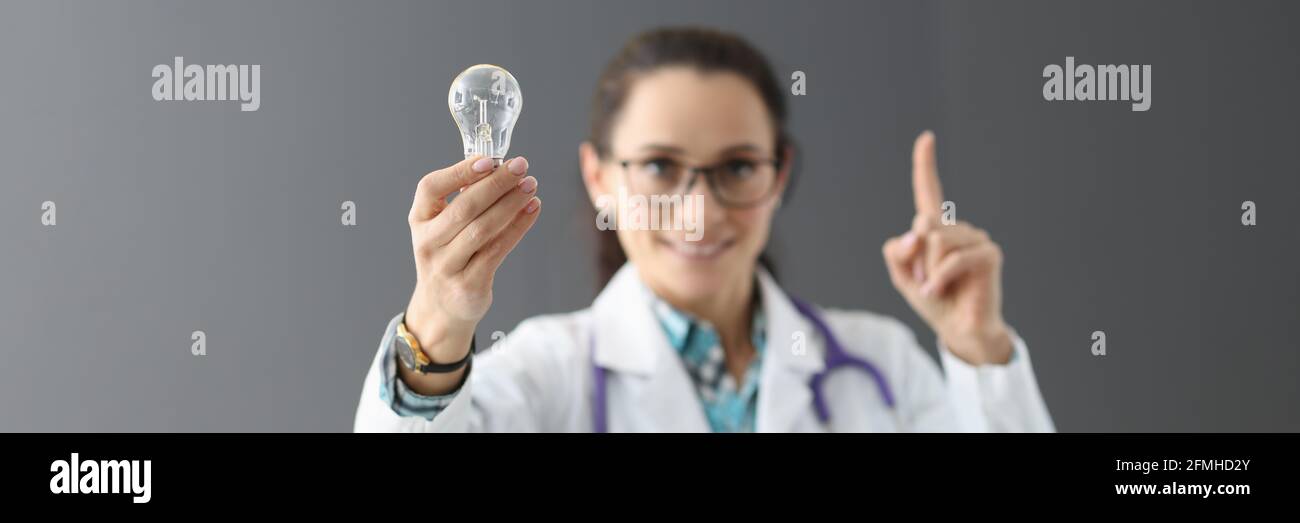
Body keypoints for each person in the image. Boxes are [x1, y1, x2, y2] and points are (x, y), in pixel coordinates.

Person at [354, 27, 1053, 432]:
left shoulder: (883, 368)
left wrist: (977, 348)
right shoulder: (544, 373)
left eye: (737, 167)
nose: (699, 208)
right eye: (660, 165)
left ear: (778, 175)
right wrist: (438, 326)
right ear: (600, 176)